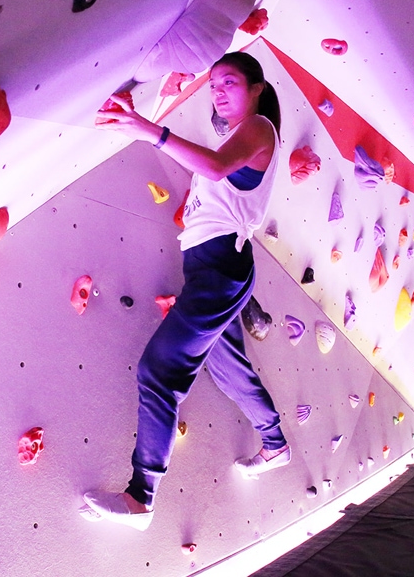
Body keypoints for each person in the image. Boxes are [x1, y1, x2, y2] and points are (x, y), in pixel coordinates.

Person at [81, 52, 289, 531]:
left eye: (229, 82)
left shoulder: (258, 126)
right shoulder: (243, 133)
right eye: (213, 83)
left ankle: (141, 498)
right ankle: (275, 444)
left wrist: (148, 129)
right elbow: (216, 177)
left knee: (160, 370)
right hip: (210, 269)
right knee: (227, 365)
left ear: (257, 88)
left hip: (221, 269)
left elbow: (216, 169)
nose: (218, 91)